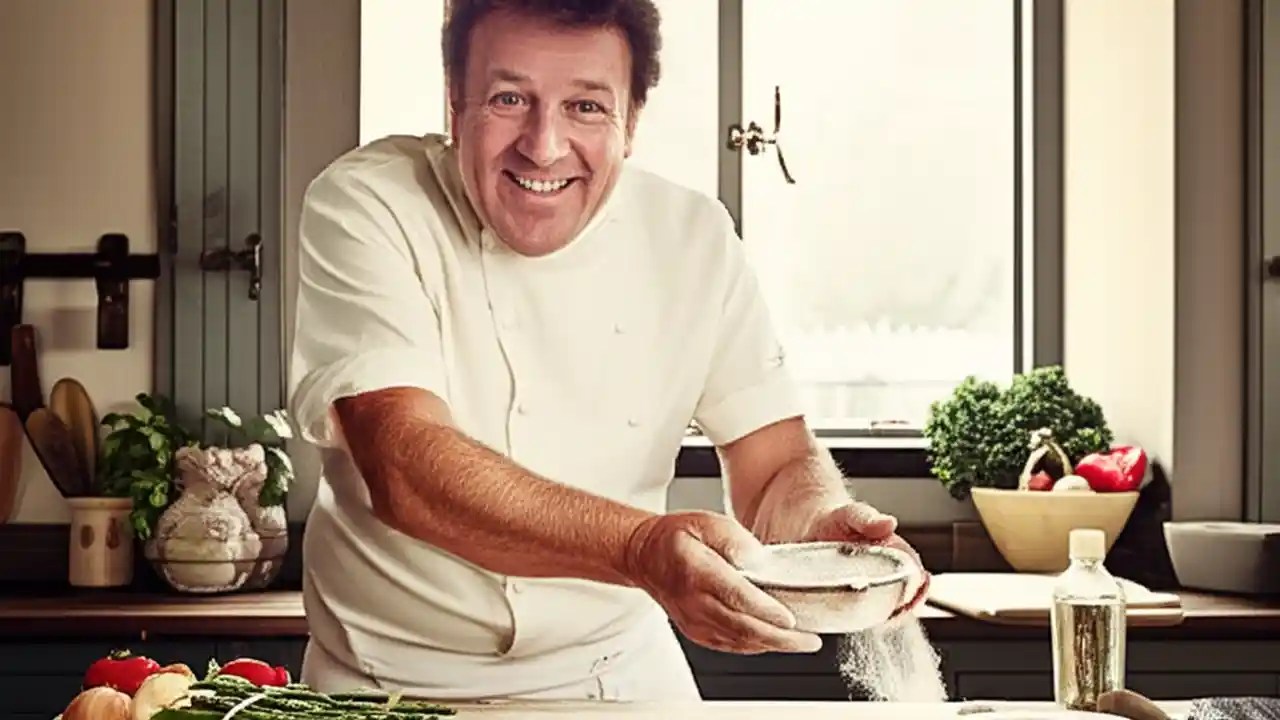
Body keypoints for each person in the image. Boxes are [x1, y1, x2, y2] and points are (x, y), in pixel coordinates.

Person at [287, 0, 929, 702]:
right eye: (509, 99)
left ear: (632, 120)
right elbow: (404, 464)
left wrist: (822, 531)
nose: (544, 145)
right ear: (455, 103)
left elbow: (774, 465)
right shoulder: (371, 204)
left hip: (619, 680)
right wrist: (638, 549)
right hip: (390, 688)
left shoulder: (693, 239)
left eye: (586, 107)